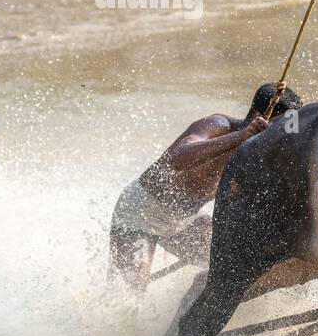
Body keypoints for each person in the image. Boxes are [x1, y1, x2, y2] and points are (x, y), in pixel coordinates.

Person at [108, 85, 303, 289]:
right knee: (128, 295)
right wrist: (240, 137)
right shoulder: (219, 124)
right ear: (259, 117)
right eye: (282, 127)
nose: (284, 137)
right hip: (140, 213)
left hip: (185, 221)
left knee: (236, 264)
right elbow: (177, 158)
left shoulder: (259, 153)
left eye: (291, 127)